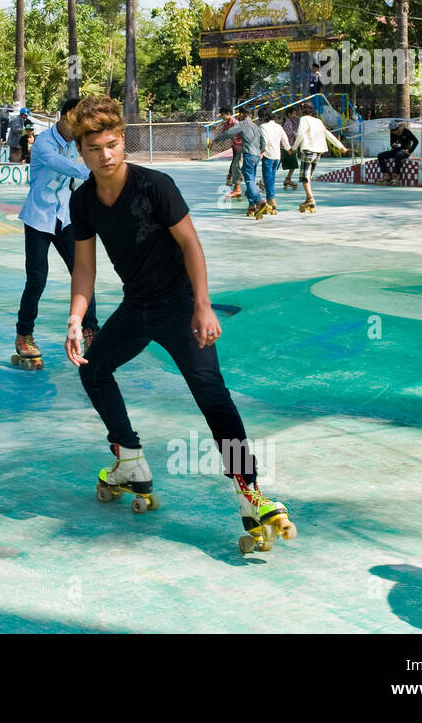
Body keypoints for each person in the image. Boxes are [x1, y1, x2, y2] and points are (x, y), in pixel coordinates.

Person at [63, 96, 295, 550]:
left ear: (123, 142)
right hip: (136, 306)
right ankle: (128, 458)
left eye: (112, 145)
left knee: (211, 394)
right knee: (94, 368)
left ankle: (249, 492)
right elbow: (84, 267)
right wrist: (76, 317)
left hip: (179, 305)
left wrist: (203, 305)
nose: (105, 155)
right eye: (94, 149)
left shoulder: (155, 185)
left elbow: (191, 245)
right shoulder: (83, 201)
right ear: (81, 152)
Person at [14, 96, 98, 369]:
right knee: (37, 279)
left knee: (82, 272)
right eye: (77, 121)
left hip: (66, 216)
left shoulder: (78, 141)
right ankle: (24, 335)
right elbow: (67, 167)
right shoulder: (43, 144)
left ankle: (91, 332)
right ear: (63, 118)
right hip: (38, 218)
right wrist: (95, 170)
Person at [291, 99, 347, 212]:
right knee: (308, 176)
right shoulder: (318, 121)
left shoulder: (304, 119)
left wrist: (293, 148)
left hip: (309, 149)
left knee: (304, 177)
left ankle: (311, 198)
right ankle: (308, 199)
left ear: (303, 110)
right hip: (318, 152)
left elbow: (301, 134)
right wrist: (341, 146)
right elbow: (328, 135)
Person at [213, 108, 269, 219]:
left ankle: (260, 202)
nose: (239, 116)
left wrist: (215, 141)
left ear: (243, 114)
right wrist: (260, 151)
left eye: (240, 114)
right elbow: (263, 142)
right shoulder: (256, 126)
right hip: (257, 156)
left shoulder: (242, 124)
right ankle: (252, 206)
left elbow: (228, 133)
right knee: (251, 180)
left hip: (248, 154)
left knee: (249, 181)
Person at [258, 110, 292, 214]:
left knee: (267, 179)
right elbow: (285, 139)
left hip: (267, 155)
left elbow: (263, 140)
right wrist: (289, 149)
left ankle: (271, 200)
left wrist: (261, 152)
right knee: (271, 178)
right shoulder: (278, 127)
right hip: (277, 155)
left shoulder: (263, 127)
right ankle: (271, 198)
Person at [376, 121, 418, 185]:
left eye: (396, 131)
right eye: (392, 131)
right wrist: (397, 147)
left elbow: (416, 141)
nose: (395, 132)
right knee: (380, 156)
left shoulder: (406, 131)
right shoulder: (392, 133)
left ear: (398, 128)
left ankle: (396, 175)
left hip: (405, 152)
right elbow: (392, 144)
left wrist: (409, 152)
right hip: (396, 150)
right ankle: (386, 174)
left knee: (399, 155)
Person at [215, 107, 243, 200]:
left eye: (222, 115)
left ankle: (237, 188)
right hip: (235, 148)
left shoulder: (235, 123)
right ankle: (236, 189)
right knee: (235, 167)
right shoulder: (226, 124)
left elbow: (231, 134)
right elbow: (224, 134)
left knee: (237, 168)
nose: (221, 117)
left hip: (242, 148)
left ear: (228, 114)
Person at [280, 110, 300, 189]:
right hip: (286, 147)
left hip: (289, 147)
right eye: (294, 113)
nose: (295, 115)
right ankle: (263, 181)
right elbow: (292, 134)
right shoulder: (288, 123)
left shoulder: (292, 122)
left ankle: (288, 179)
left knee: (293, 164)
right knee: (275, 165)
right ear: (289, 114)